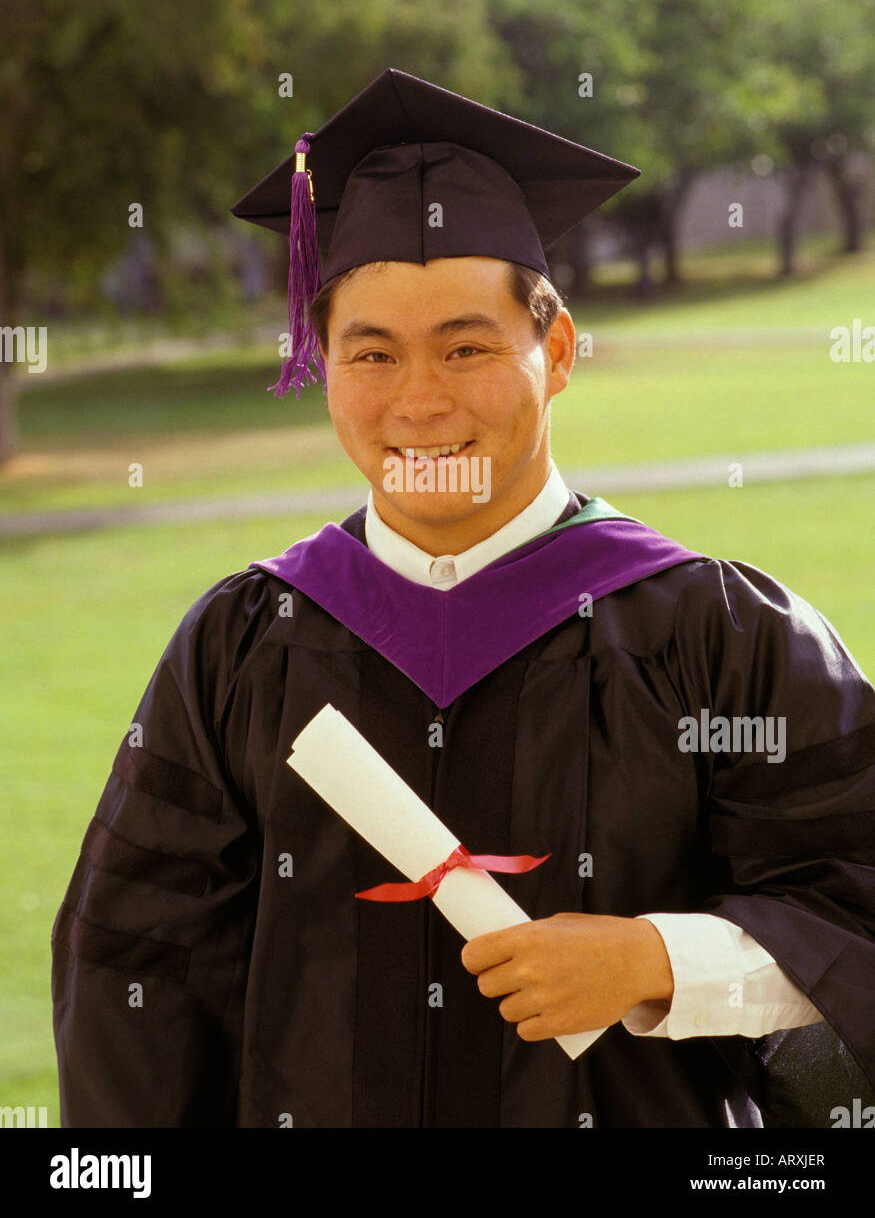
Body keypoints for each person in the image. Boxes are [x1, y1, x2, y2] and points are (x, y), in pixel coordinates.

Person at [52, 69, 875, 1128]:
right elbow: (136, 993)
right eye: (372, 353)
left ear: (559, 351)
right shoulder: (242, 648)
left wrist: (654, 958)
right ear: (323, 366)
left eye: (467, 346)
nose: (420, 400)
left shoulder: (716, 639)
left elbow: (854, 902)